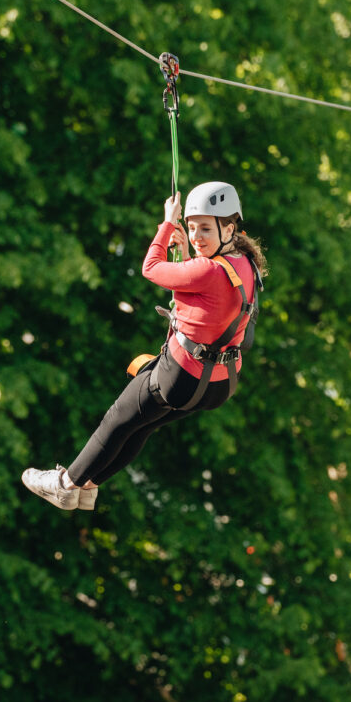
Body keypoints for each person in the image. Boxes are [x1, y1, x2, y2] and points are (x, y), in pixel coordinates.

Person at [21, 181, 265, 511]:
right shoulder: (247, 266)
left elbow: (150, 268)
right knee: (141, 425)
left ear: (229, 228)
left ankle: (66, 485)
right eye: (191, 227)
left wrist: (167, 225)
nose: (196, 236)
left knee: (118, 419)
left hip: (182, 376)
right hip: (218, 385)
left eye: (205, 228)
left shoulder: (206, 269)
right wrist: (187, 253)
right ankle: (90, 485)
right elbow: (210, 298)